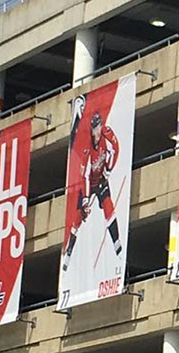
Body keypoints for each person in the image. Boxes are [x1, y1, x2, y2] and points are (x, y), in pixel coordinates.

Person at [62, 112, 122, 272]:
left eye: (99, 126)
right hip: (89, 184)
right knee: (79, 216)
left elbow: (116, 150)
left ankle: (117, 244)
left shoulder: (107, 135)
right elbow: (86, 176)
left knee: (109, 207)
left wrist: (108, 170)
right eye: (95, 128)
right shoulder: (88, 149)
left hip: (101, 180)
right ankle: (69, 252)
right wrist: (86, 201)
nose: (97, 130)